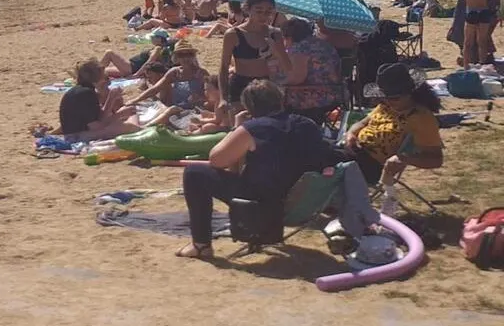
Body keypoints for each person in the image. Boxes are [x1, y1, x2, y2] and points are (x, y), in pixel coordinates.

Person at [177, 80, 335, 259]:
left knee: (194, 173)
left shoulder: (254, 129)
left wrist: (237, 127)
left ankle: (201, 245)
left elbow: (216, 160)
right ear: (280, 101)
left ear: (249, 107)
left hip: (263, 201)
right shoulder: (307, 124)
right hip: (302, 199)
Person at [338, 63, 443, 207]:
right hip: (352, 152)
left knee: (320, 156)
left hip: (372, 165)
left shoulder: (421, 118)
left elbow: (436, 160)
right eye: (385, 97)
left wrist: (404, 158)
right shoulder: (385, 106)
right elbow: (362, 123)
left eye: (394, 98)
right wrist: (350, 134)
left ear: (410, 93)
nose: (388, 101)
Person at [217, 0, 291, 119]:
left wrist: (277, 51)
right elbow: (223, 68)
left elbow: (288, 68)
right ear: (247, 9)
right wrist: (223, 98)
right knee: (240, 126)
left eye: (268, 12)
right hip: (241, 85)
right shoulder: (233, 35)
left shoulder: (275, 34)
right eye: (259, 11)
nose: (263, 16)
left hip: (267, 87)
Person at [125, 39, 209, 126]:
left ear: (193, 56)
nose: (185, 58)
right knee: (135, 107)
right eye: (181, 55)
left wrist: (200, 97)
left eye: (188, 54)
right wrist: (135, 100)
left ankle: (146, 127)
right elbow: (156, 88)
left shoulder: (201, 73)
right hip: (175, 107)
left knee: (170, 110)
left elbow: (213, 94)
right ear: (177, 57)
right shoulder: (175, 72)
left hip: (193, 109)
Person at [278, 17, 342, 122]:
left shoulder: (300, 48)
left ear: (288, 37)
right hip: (334, 93)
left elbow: (297, 78)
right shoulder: (323, 44)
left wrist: (277, 82)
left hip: (313, 97)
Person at [58, 60, 139, 142]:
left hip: (77, 134)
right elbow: (97, 126)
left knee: (126, 121)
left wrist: (111, 98)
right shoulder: (86, 93)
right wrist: (119, 114)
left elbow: (100, 118)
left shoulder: (84, 90)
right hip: (76, 137)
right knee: (127, 127)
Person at [447, 0, 494, 67]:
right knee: (482, 42)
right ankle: (482, 65)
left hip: (471, 11)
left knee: (468, 43)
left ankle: (466, 66)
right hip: (484, 12)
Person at [100, 30, 169, 79]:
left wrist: (136, 75)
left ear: (160, 39)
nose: (151, 39)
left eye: (153, 37)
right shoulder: (159, 48)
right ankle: (96, 75)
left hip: (131, 68)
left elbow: (149, 62)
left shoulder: (158, 49)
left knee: (109, 53)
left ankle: (95, 75)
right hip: (130, 68)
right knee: (106, 70)